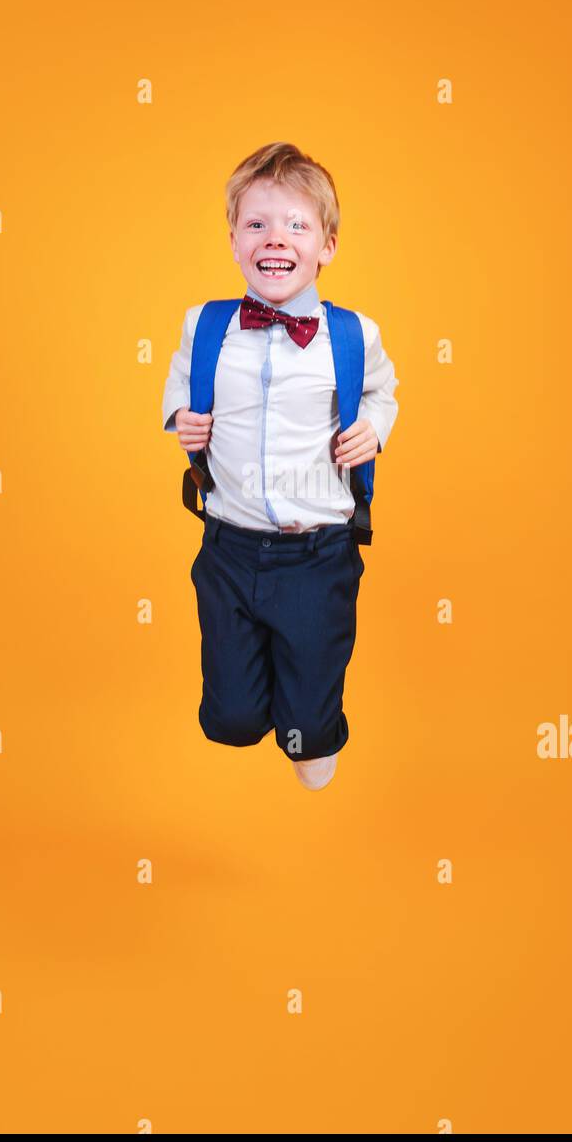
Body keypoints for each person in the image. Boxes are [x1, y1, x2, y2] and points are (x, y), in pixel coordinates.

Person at [161, 142, 399, 790]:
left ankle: (309, 723)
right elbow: (181, 386)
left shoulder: (352, 335)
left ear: (327, 246)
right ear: (235, 240)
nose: (276, 238)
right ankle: (259, 691)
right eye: (257, 224)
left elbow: (383, 390)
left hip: (317, 554)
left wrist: (374, 426)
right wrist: (181, 417)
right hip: (229, 548)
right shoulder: (205, 325)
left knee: (308, 726)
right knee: (231, 720)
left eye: (297, 225)